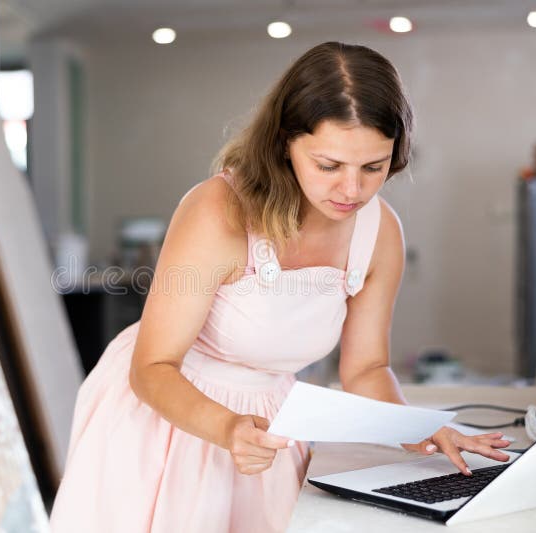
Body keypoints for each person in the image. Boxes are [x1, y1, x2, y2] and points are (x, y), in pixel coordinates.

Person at [49, 41, 511, 533]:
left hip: (271, 421)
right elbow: (152, 368)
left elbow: (367, 368)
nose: (351, 191)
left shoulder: (381, 234)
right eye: (329, 165)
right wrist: (227, 427)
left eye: (373, 168)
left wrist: (417, 426)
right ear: (284, 143)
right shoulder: (217, 211)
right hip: (170, 412)